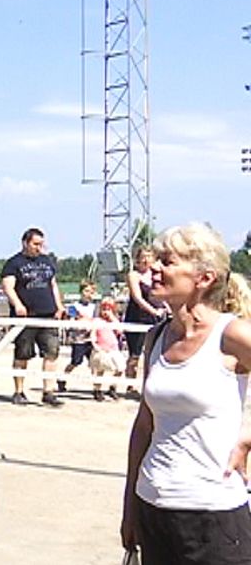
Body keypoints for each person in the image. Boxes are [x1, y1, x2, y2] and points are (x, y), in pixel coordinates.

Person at [120, 223, 251, 565]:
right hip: (153, 506)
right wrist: (130, 505)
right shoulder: (156, 338)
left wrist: (247, 436)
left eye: (167, 261)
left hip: (214, 514)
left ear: (203, 278)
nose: (154, 268)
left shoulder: (232, 335)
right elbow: (144, 425)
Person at [1, 227, 68, 407]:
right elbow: (8, 286)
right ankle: (19, 391)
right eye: (35, 244)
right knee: (23, 354)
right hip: (26, 317)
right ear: (25, 243)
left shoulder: (46, 261)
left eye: (41, 244)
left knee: (52, 353)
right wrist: (17, 304)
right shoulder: (14, 263)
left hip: (48, 315)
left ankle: (48, 392)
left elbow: (53, 285)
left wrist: (59, 306)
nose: (39, 248)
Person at [122, 245, 168, 399]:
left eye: (149, 257)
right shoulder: (133, 275)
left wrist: (167, 309)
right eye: (143, 257)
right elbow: (137, 297)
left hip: (154, 318)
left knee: (155, 354)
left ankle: (151, 386)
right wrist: (154, 311)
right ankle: (130, 385)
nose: (146, 260)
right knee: (134, 355)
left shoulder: (155, 276)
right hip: (137, 317)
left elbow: (161, 296)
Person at [60, 279, 98, 393]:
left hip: (91, 339)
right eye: (86, 291)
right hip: (78, 339)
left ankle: (97, 388)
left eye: (91, 292)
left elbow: (95, 320)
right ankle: (62, 378)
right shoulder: (74, 306)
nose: (88, 294)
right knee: (76, 361)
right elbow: (72, 320)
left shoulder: (94, 307)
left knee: (94, 363)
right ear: (81, 292)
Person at [89, 298, 125, 402]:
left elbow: (120, 330)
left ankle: (113, 387)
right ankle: (97, 390)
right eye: (104, 309)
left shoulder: (114, 321)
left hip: (113, 348)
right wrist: (94, 344)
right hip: (101, 348)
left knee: (120, 368)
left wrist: (112, 318)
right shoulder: (97, 321)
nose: (105, 312)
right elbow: (93, 333)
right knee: (100, 370)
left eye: (108, 309)